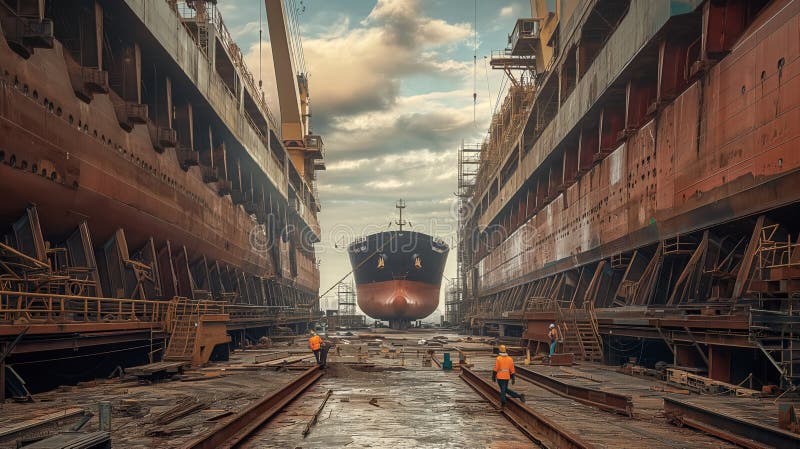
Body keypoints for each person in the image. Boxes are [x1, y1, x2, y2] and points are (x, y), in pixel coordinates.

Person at [492, 344, 525, 408]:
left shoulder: (498, 359)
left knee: (503, 390)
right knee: (505, 389)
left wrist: (493, 376)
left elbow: (496, 368)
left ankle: (503, 401)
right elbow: (512, 369)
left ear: (500, 351)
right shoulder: (510, 359)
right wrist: (513, 378)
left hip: (500, 377)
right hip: (507, 377)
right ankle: (519, 396)